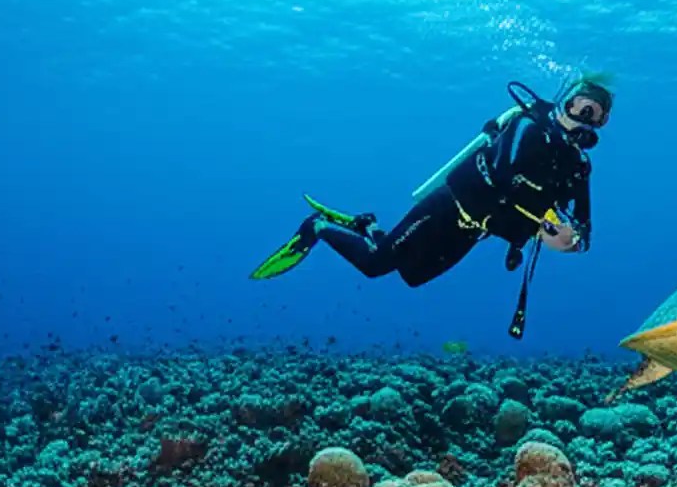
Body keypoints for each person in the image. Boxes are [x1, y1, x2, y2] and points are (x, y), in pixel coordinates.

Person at [249, 76, 613, 337]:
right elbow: (505, 175)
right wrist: (538, 227)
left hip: (475, 230)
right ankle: (317, 227)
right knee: (377, 266)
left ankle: (367, 225)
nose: (585, 122)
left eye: (596, 117)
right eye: (581, 109)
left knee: (412, 277)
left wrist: (570, 240)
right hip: (448, 206)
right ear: (565, 102)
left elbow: (586, 232)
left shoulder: (578, 168)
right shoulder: (528, 126)